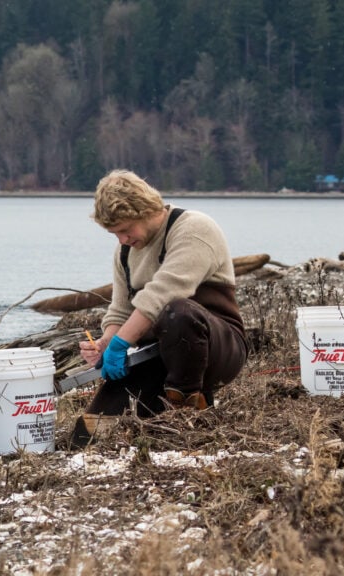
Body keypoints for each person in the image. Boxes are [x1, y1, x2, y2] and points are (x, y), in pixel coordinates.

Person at [73, 170, 248, 446]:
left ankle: (187, 409)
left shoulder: (194, 228)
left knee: (178, 312)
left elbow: (163, 293)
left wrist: (121, 343)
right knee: (90, 432)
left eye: (124, 229)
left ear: (144, 210)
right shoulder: (125, 251)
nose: (122, 239)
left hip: (217, 346)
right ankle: (158, 410)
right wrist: (107, 342)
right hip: (158, 354)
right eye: (114, 233)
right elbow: (120, 310)